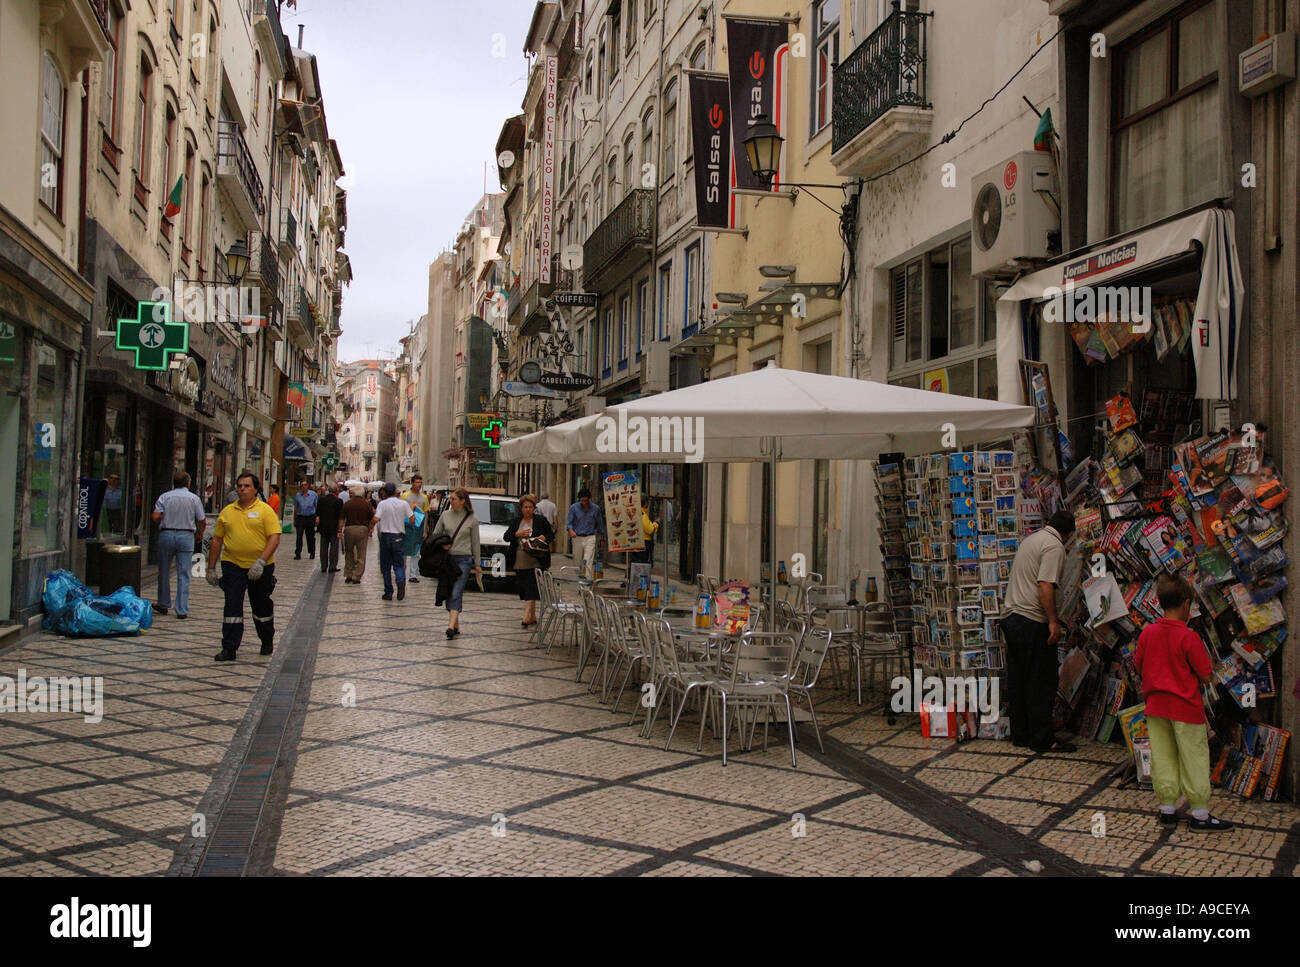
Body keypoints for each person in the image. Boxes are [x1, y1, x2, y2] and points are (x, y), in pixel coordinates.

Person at [1134, 574, 1231, 831]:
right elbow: (1206, 675)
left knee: (1163, 755)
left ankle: (1167, 808)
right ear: (1186, 604)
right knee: (1193, 755)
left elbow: (1139, 666)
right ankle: (1199, 812)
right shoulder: (1189, 638)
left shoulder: (1147, 634)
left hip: (1156, 707)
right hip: (1186, 708)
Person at [1002, 509, 1076, 753]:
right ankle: (1043, 739)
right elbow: (1045, 585)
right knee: (1041, 680)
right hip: (1032, 621)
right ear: (1067, 535)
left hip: (1012, 618)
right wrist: (1053, 621)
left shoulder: (1032, 539)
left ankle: (1021, 734)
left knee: (1019, 680)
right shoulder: (1054, 546)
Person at [205, 472, 281, 661]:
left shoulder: (265, 510)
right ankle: (229, 647)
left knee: (260, 605)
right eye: (239, 486)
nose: (242, 489)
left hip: (261, 566)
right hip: (232, 564)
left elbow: (274, 537)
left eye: (247, 486)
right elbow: (217, 539)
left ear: (255, 489)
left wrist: (261, 561)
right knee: (232, 604)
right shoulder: (227, 511)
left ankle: (266, 639)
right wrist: (211, 567)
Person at [151, 471, 206, 618]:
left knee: (163, 570)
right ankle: (181, 609)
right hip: (186, 535)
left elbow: (155, 516)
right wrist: (199, 534)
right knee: (184, 573)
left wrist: (165, 517)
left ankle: (163, 603)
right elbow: (202, 520)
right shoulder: (194, 498)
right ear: (188, 483)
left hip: (167, 534)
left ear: (173, 483)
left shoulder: (165, 497)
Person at [428, 487, 481, 638]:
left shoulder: (472, 519)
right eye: (450, 499)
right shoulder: (445, 515)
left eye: (453, 499)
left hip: (464, 560)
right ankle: (455, 622)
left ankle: (450, 627)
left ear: (463, 501)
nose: (450, 501)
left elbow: (475, 542)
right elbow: (435, 534)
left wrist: (477, 564)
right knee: (449, 591)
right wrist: (442, 544)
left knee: (456, 592)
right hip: (448, 560)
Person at [504, 494, 554, 627]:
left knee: (532, 586)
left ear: (534, 508)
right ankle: (532, 616)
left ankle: (526, 616)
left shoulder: (541, 521)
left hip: (536, 560)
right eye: (525, 507)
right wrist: (517, 534)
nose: (528, 510)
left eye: (530, 507)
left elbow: (551, 535)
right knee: (523, 588)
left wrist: (543, 537)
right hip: (519, 560)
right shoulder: (516, 522)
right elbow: (506, 537)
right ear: (521, 508)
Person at [374, 482, 415, 601]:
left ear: (385, 492)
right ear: (395, 492)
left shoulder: (382, 504)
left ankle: (388, 592)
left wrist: (371, 525)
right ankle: (400, 580)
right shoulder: (403, 504)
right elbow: (412, 519)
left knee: (385, 566)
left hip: (385, 536)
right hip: (399, 536)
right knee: (399, 564)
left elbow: (376, 519)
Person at [565, 488, 605, 578]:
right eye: (582, 501)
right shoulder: (574, 508)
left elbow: (600, 525)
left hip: (590, 537)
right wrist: (571, 531)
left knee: (588, 560)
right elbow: (569, 523)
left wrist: (602, 539)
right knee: (577, 561)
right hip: (577, 537)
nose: (584, 503)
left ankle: (587, 581)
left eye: (586, 501)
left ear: (589, 499)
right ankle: (580, 578)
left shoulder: (596, 509)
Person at [341, 485, 375, 583]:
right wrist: (370, 528)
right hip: (362, 529)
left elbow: (342, 518)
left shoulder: (347, 504)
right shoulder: (367, 504)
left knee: (349, 552)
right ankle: (357, 576)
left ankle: (348, 574)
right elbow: (372, 517)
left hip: (349, 529)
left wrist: (339, 530)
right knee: (361, 553)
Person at [402, 475, 430, 582]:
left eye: (420, 482)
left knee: (416, 551)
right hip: (407, 526)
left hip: (419, 527)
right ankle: (402, 571)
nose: (419, 484)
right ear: (412, 483)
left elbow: (426, 513)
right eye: (417, 482)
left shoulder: (424, 497)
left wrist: (425, 529)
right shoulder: (405, 496)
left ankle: (413, 575)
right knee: (405, 550)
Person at [315, 483, 344, 574]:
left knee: (323, 547)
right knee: (334, 547)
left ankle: (323, 566)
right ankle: (332, 566)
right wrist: (340, 529)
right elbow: (340, 516)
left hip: (323, 527)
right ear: (336, 490)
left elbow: (318, 513)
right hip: (334, 527)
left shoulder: (321, 500)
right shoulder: (338, 501)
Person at [292, 481, 318, 559]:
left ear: (308, 486)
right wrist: (294, 519)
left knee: (310, 536)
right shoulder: (298, 495)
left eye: (305, 485)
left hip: (310, 517)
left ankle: (312, 552)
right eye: (302, 485)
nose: (304, 486)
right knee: (299, 536)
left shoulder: (313, 495)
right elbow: (296, 507)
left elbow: (316, 506)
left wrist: (317, 517)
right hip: (300, 517)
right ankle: (298, 553)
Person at [638, 499, 659, 565]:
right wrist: (656, 523)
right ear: (645, 503)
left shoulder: (638, 512)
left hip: (638, 542)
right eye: (648, 502)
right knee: (643, 562)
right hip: (644, 542)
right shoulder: (643, 515)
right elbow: (650, 530)